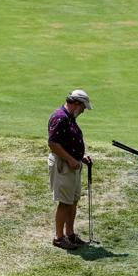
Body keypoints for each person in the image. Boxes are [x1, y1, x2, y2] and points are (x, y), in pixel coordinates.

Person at [47, 89, 92, 249]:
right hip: (63, 165)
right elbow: (53, 144)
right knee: (65, 202)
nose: (84, 111)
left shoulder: (69, 117)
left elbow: (69, 141)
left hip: (72, 164)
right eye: (83, 107)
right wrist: (71, 159)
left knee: (73, 200)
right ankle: (59, 238)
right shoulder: (60, 118)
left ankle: (70, 234)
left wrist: (80, 158)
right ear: (76, 104)